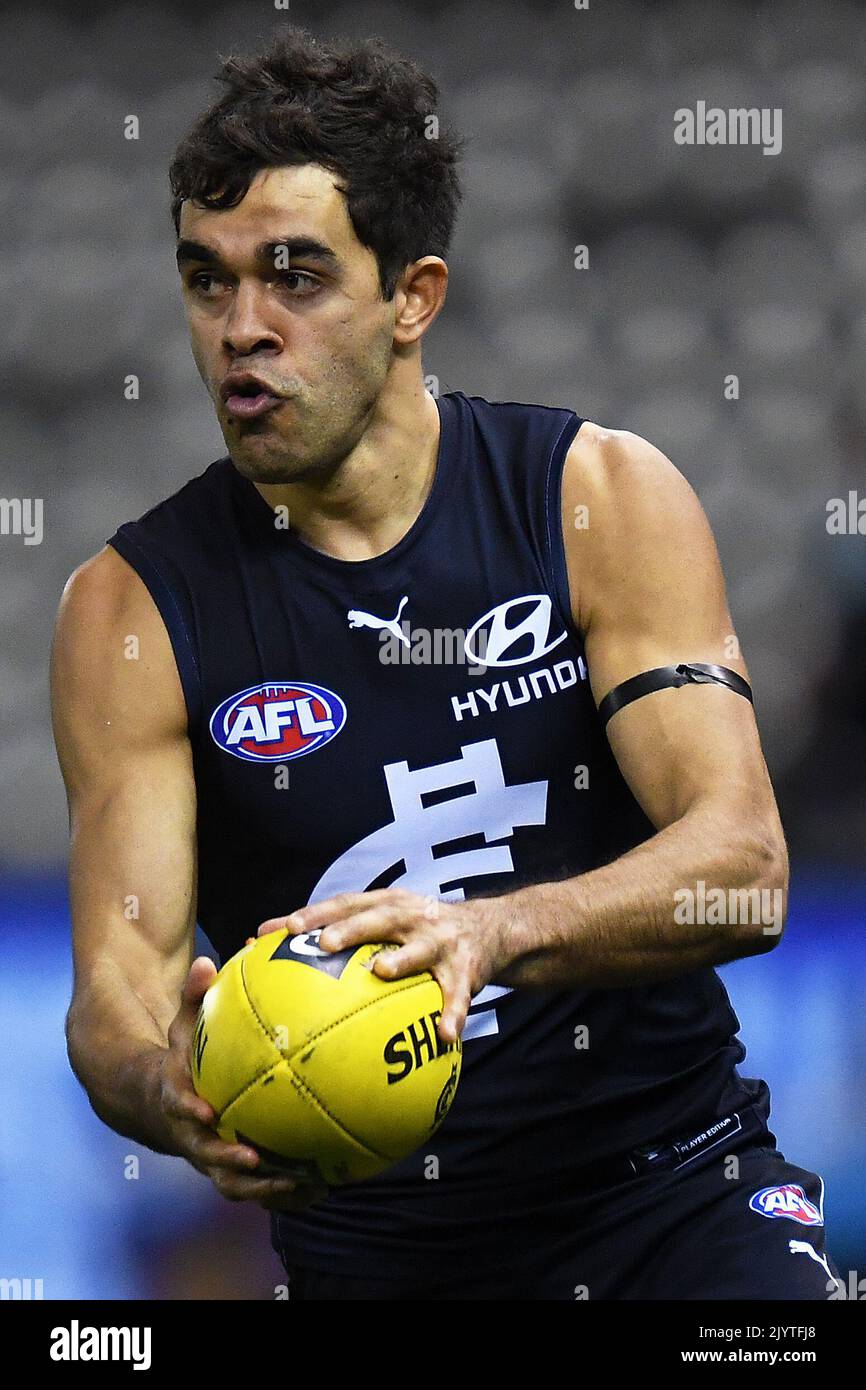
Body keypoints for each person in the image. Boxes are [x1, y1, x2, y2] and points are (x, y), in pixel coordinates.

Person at [51, 26, 840, 1300]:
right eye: (208, 279)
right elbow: (114, 995)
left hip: (679, 1206)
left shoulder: (592, 498)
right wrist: (169, 1091)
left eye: (294, 277)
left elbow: (742, 867)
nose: (241, 329)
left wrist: (486, 933)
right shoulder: (130, 608)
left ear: (413, 295)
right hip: (379, 1260)